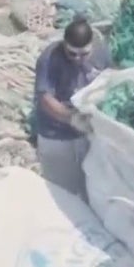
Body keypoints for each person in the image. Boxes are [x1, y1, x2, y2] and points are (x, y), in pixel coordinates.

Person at [33, 17, 110, 198]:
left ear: (92, 46)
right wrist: (70, 118)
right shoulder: (49, 58)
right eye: (72, 53)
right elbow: (45, 98)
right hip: (56, 135)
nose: (77, 59)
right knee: (59, 190)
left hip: (87, 131)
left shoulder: (102, 52)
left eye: (83, 54)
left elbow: (108, 79)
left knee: (90, 184)